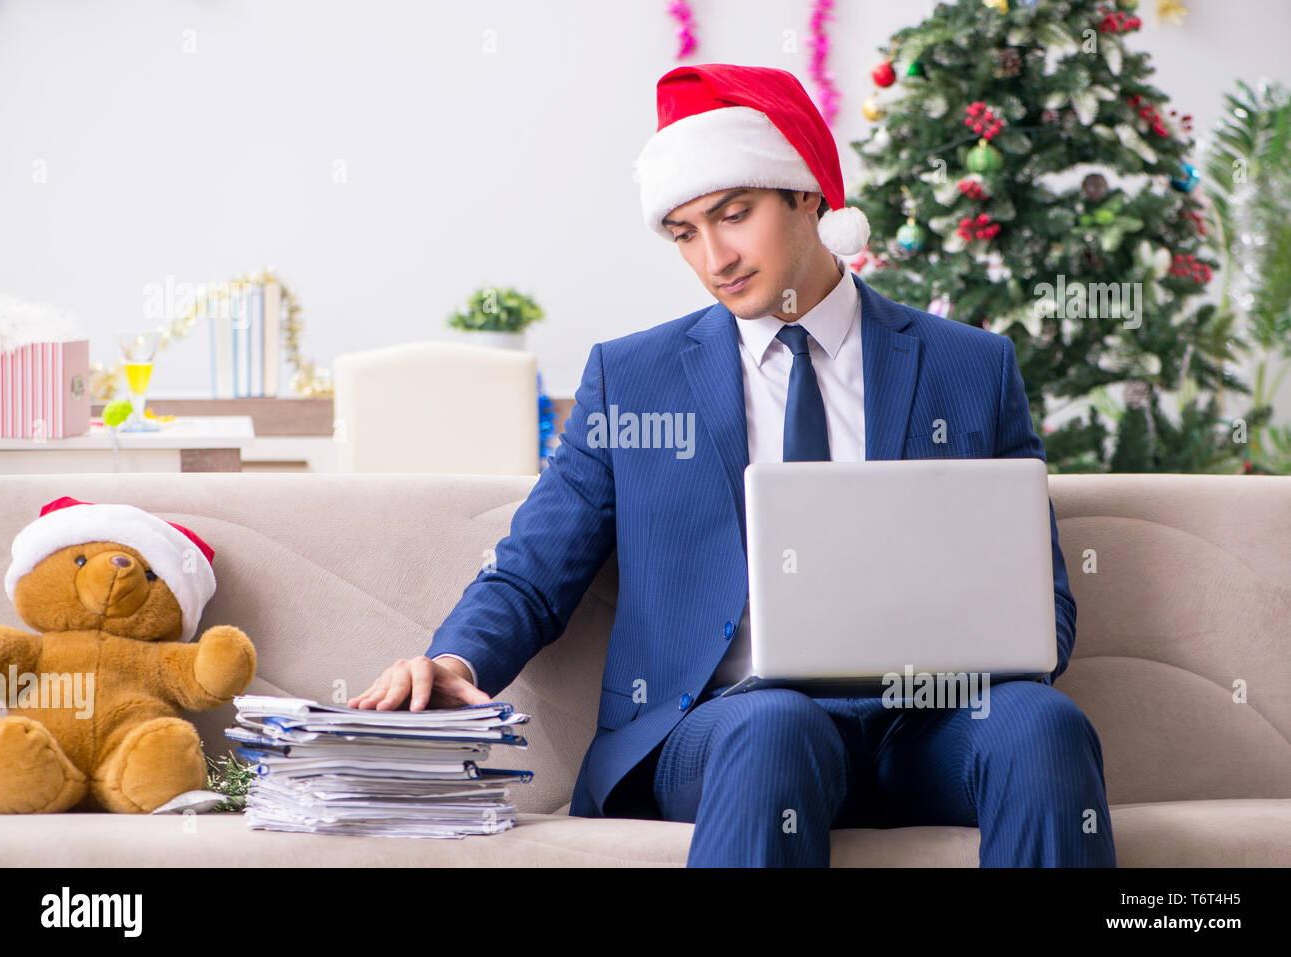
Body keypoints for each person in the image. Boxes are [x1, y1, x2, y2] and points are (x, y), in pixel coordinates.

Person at [351, 63, 1116, 868]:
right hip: (727, 722)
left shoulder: (972, 368)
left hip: (925, 723)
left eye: (733, 215)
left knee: (1041, 724)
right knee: (776, 722)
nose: (715, 256)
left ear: (808, 196)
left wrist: (976, 646)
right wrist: (454, 658)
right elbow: (532, 574)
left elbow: (1046, 611)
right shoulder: (632, 377)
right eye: (685, 233)